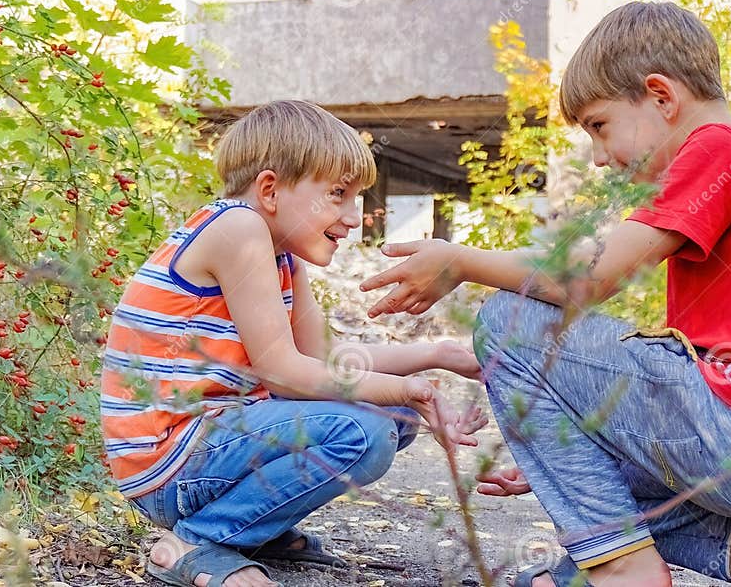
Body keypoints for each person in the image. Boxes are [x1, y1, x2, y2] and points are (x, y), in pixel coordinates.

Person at [359, 2, 731, 587]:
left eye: (599, 125)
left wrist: (463, 261)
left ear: (661, 97)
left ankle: (622, 571)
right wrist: (568, 459)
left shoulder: (719, 147)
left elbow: (588, 281)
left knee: (509, 323)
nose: (598, 156)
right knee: (595, 494)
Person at [101, 100, 486, 587]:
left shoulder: (282, 256)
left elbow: (322, 362)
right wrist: (407, 391)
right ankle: (199, 539)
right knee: (365, 429)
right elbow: (283, 373)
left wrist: (436, 357)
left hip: (209, 446)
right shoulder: (237, 229)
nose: (353, 217)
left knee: (393, 416)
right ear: (270, 189)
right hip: (170, 461)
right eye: (338, 195)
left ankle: (252, 531)